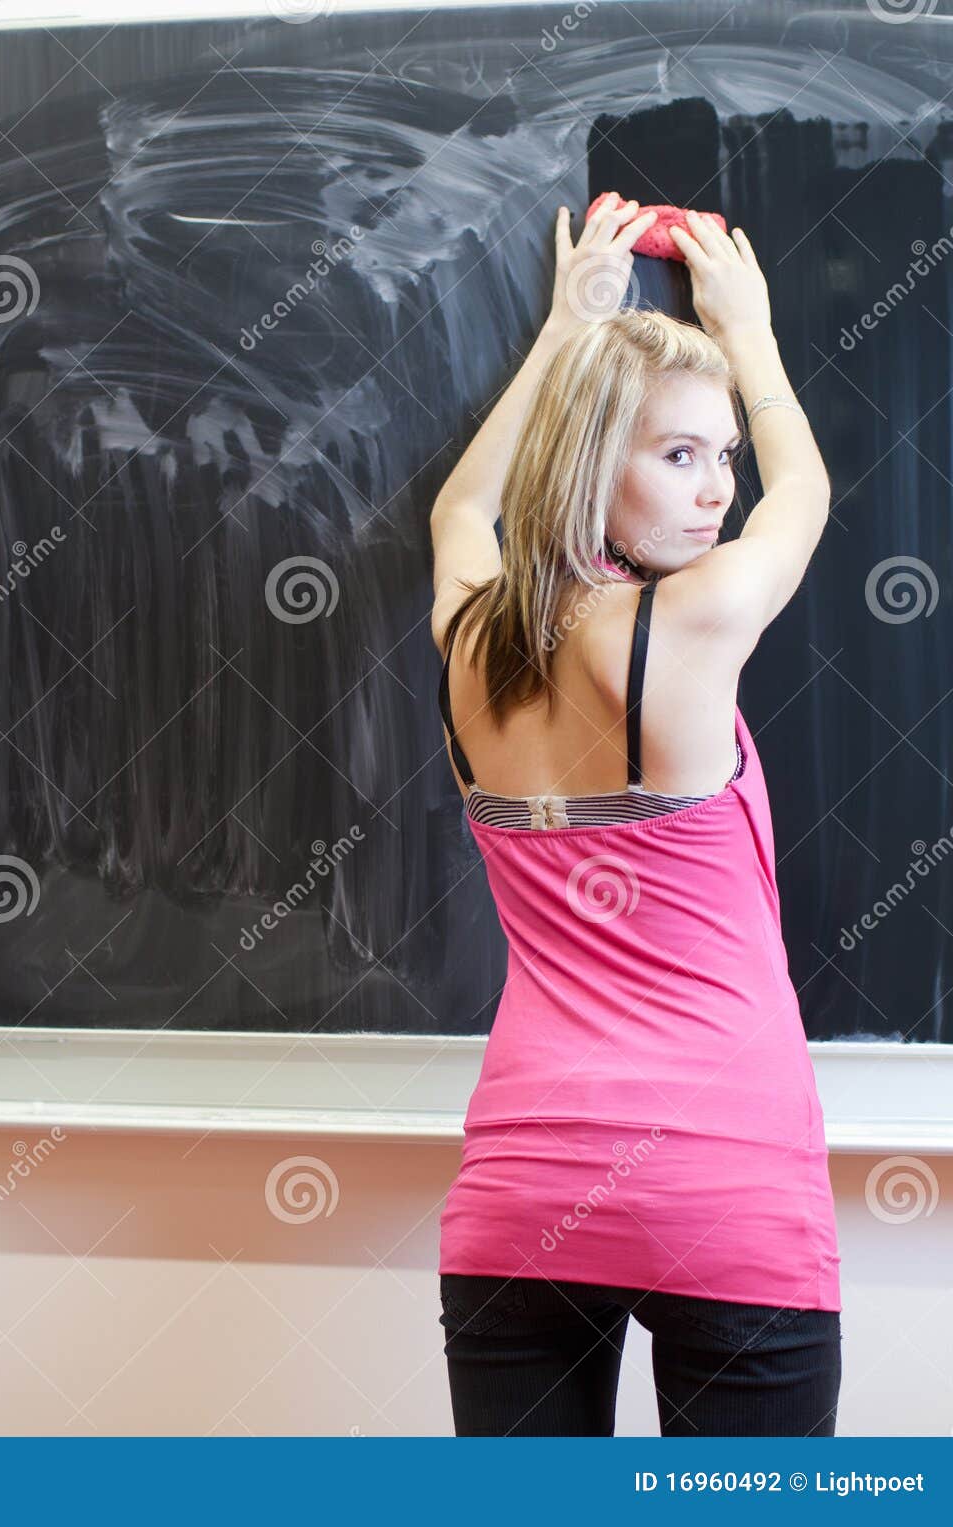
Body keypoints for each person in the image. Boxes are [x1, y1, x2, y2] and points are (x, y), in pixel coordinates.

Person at [427, 193, 841, 1436]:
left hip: (516, 1198)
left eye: (723, 453)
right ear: (587, 464)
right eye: (677, 455)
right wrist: (749, 335)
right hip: (724, 1192)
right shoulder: (688, 624)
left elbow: (461, 511)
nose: (717, 488)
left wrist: (567, 329)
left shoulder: (468, 637)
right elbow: (804, 498)